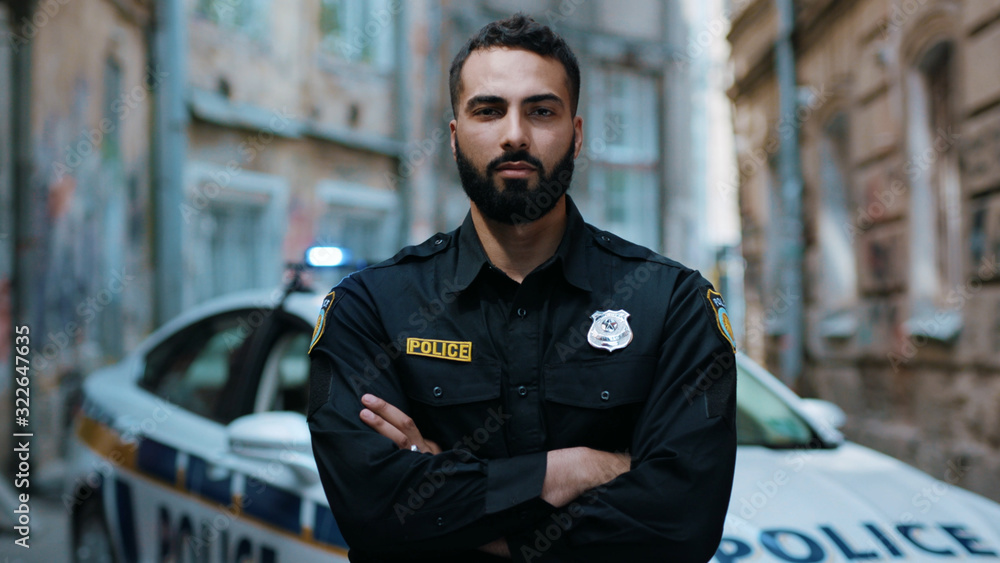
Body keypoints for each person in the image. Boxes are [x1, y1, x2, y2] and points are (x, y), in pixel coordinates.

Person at [307, 13, 737, 562]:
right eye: (489, 110)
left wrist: (454, 501)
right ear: (456, 134)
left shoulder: (670, 304)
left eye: (541, 111)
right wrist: (577, 469)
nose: (515, 134)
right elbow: (375, 511)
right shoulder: (369, 309)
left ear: (576, 135)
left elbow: (680, 523)